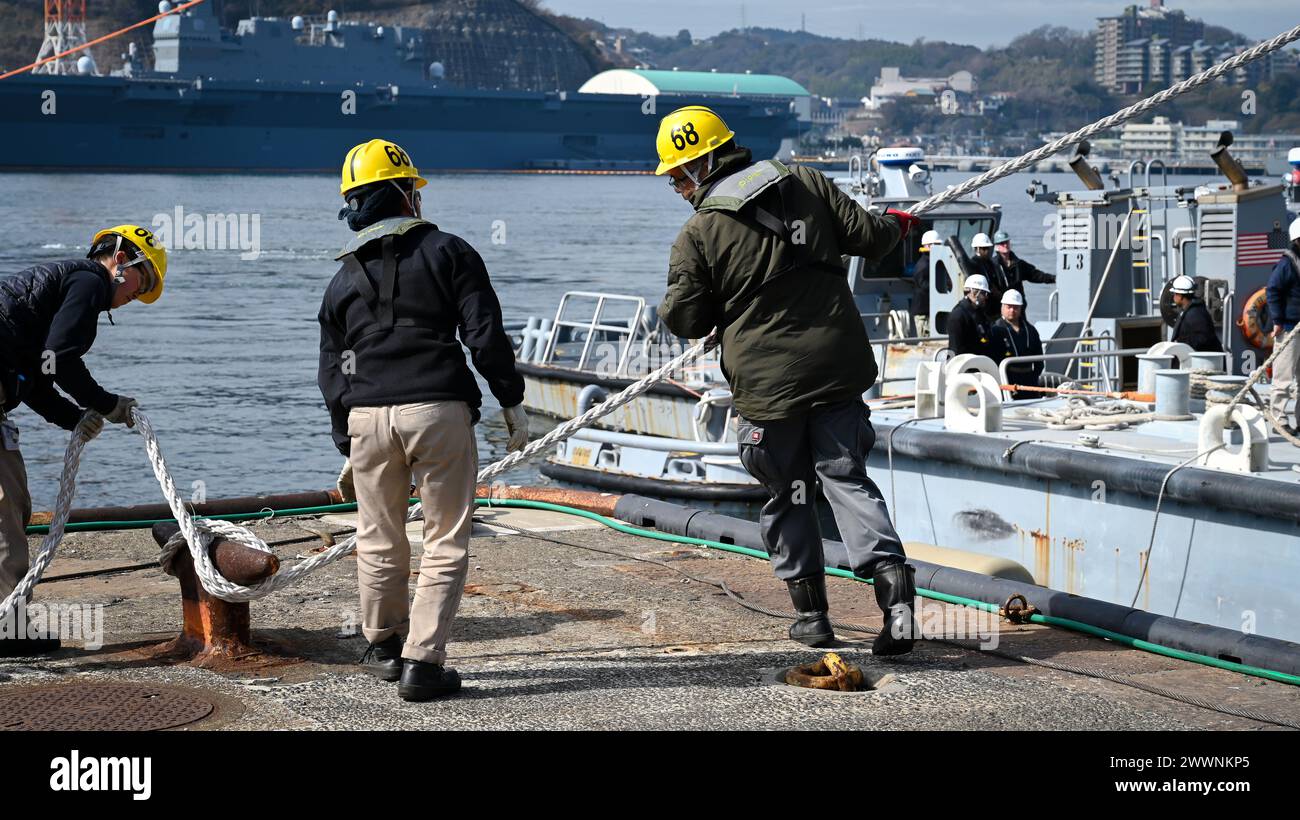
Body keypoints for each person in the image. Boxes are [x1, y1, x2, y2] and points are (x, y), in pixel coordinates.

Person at [653, 106, 921, 655]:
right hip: (837, 367)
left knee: (789, 493)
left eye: (678, 175)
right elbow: (873, 238)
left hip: (768, 390)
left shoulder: (699, 233)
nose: (676, 188)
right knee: (846, 480)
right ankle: (896, 599)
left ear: (704, 164)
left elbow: (686, 320)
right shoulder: (803, 179)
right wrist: (899, 223)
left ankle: (813, 618)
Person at [318, 138, 530, 700]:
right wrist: (511, 399)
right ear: (404, 194)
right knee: (445, 540)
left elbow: (333, 373)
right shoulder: (451, 252)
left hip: (366, 417)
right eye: (412, 189)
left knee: (378, 535)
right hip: (437, 411)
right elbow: (483, 337)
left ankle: (384, 646)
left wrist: (347, 441)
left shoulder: (340, 279)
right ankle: (424, 665)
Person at [1, 225, 163, 656]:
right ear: (119, 260)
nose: (134, 296)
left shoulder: (55, 292)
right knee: (6, 514)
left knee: (12, 506)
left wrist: (74, 418)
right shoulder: (89, 279)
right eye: (140, 282)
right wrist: (107, 404)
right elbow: (62, 360)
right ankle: (7, 628)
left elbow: (37, 376)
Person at [1265, 217, 1300, 431]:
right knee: (1283, 377)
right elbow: (1273, 290)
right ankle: (1279, 418)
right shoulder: (1287, 264)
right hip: (1289, 329)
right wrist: (1277, 321)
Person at [992, 290, 1044, 399]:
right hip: (1007, 378)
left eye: (1015, 307)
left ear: (1021, 308)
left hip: (1029, 379)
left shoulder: (1030, 330)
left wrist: (1034, 376)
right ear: (1002, 307)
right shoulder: (996, 330)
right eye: (1009, 307)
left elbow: (1039, 357)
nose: (1012, 310)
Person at [991, 229, 1055, 315]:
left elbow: (1035, 275)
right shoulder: (992, 265)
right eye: (1002, 243)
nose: (1005, 245)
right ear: (997, 247)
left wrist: (1054, 279)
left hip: (1018, 307)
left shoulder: (1018, 264)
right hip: (1000, 308)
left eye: (1007, 242)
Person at [946, 274, 996, 361]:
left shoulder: (979, 312)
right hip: (965, 367)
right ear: (974, 292)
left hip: (978, 364)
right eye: (984, 293)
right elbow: (956, 349)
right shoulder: (958, 316)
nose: (986, 297)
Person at [1168, 275, 1223, 353]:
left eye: (1175, 294)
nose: (1174, 297)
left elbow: (1204, 338)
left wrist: (1180, 343)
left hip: (1205, 362)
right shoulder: (1189, 310)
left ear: (1180, 296)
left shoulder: (1195, 314)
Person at [910, 229, 941, 337]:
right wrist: (940, 287)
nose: (938, 248)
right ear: (927, 246)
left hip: (930, 310)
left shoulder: (932, 262)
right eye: (935, 245)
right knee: (925, 341)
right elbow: (923, 284)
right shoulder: (923, 265)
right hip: (922, 312)